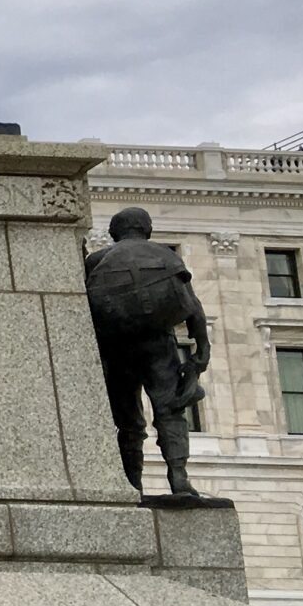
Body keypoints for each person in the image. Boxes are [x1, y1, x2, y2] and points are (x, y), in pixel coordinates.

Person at [85, 206, 210, 498]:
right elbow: (193, 307)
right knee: (170, 411)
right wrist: (202, 350)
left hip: (115, 348)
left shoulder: (97, 260)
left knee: (128, 421)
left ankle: (132, 484)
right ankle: (178, 477)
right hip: (157, 344)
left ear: (114, 234)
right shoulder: (164, 255)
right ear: (147, 229)